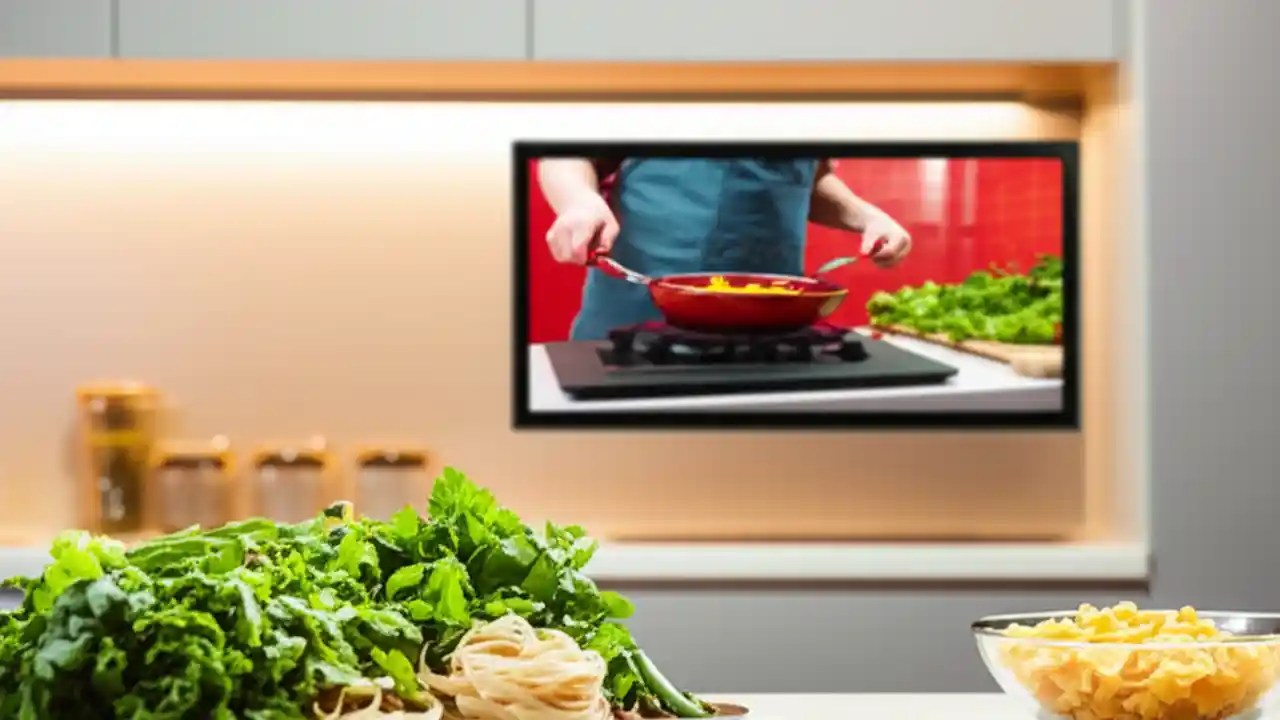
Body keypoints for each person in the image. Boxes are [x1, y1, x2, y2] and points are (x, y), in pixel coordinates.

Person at [538, 156, 912, 340]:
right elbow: (566, 154)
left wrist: (867, 217)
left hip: (773, 331)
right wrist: (577, 201)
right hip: (637, 318)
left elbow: (810, 176)